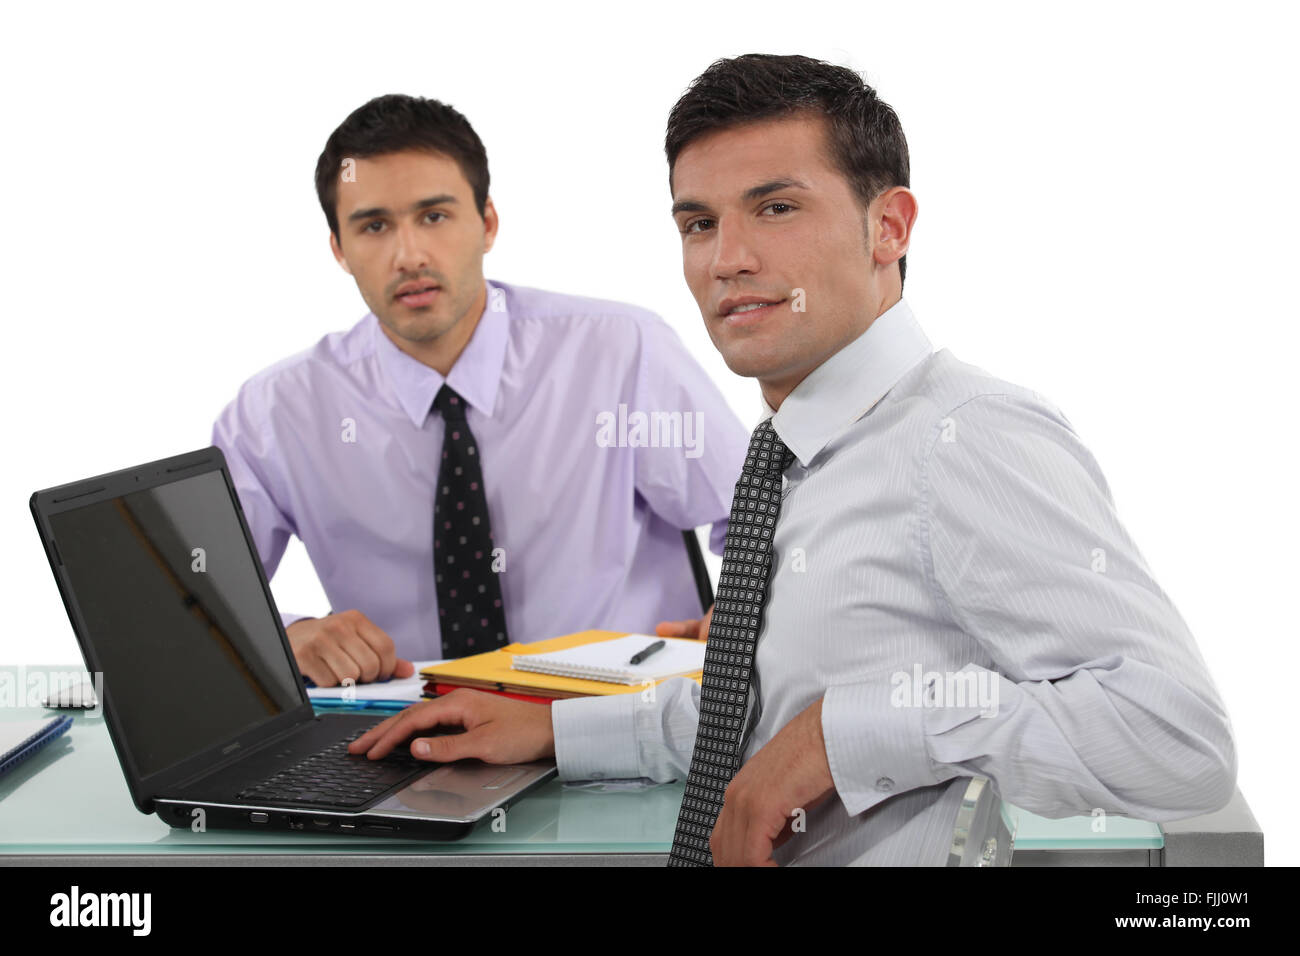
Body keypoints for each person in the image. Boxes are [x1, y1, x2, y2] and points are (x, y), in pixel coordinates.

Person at [349, 55, 1238, 866]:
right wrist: (555, 731)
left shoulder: (965, 436)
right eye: (699, 223)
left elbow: (1178, 739)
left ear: (889, 227)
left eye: (776, 208)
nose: (727, 260)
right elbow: (760, 709)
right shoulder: (792, 451)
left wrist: (840, 735)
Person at [212, 94, 748, 687]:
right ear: (339, 248)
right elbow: (199, 593)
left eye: (434, 216)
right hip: (404, 725)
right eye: (374, 226)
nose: (409, 255)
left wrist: (744, 611)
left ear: (487, 224)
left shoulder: (621, 351)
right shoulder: (274, 414)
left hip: (618, 715)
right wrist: (285, 635)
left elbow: (763, 516)